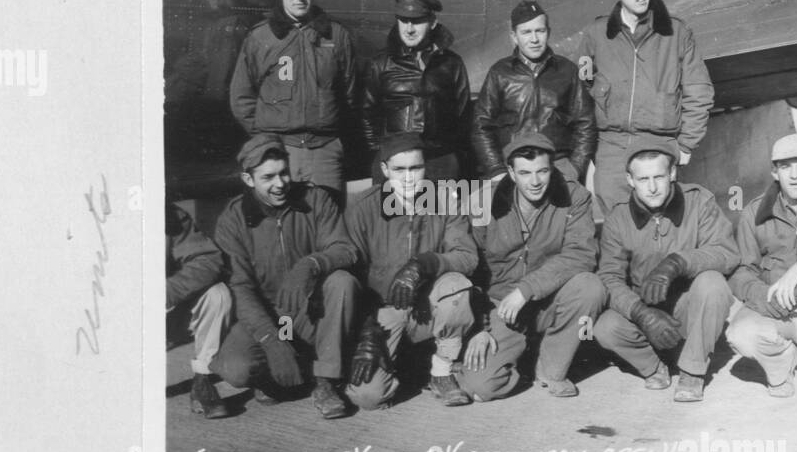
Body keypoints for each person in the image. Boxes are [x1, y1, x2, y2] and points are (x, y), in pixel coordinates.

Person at [211, 134, 361, 419]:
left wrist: (311, 264)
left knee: (343, 281)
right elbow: (239, 287)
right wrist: (272, 339)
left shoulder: (315, 200)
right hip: (268, 316)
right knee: (236, 368)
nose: (280, 184)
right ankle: (277, 378)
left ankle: (325, 380)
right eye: (268, 177)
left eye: (284, 173)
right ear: (248, 179)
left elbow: (345, 249)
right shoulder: (233, 219)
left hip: (308, 311)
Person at [455, 132, 606, 401]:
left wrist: (526, 290)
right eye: (525, 173)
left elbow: (580, 254)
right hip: (499, 305)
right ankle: (522, 356)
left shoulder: (576, 197)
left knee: (590, 287)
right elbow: (471, 268)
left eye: (542, 171)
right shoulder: (482, 202)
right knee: (481, 387)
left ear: (552, 169)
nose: (535, 182)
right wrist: (478, 327)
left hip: (548, 299)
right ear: (511, 173)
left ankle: (551, 369)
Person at [593, 138, 738, 403]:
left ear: (672, 173)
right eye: (643, 179)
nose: (651, 188)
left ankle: (692, 370)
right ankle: (653, 366)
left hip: (686, 307)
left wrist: (678, 262)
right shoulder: (618, 217)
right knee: (605, 327)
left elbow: (726, 252)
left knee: (713, 283)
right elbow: (609, 278)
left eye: (659, 177)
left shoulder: (699, 201)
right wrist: (641, 313)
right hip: (645, 310)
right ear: (630, 179)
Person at [343, 133, 478, 409]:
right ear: (384, 170)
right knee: (367, 396)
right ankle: (406, 366)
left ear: (425, 168)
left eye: (415, 168)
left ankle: (442, 370)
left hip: (429, 303)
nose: (408, 178)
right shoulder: (362, 207)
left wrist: (424, 264)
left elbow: (466, 257)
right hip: (383, 311)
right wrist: (367, 329)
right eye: (399, 170)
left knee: (456, 285)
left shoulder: (445, 199)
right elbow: (351, 272)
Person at [577, 0, 714, 216]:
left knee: (658, 222)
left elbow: (699, 90)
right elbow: (580, 94)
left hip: (658, 143)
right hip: (611, 147)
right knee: (617, 227)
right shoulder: (595, 35)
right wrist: (594, 150)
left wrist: (686, 144)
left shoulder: (676, 33)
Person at [726, 134, 797, 411]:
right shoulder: (754, 212)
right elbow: (741, 271)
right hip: (778, 311)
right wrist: (763, 296)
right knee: (740, 334)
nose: (795, 175)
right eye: (786, 167)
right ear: (774, 172)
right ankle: (782, 362)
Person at [229, 0, 356, 193]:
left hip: (325, 151)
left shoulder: (337, 35)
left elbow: (349, 94)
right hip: (278, 151)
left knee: (328, 220)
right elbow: (241, 98)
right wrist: (266, 140)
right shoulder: (260, 38)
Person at [472, 0, 596, 185]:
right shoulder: (500, 73)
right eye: (526, 32)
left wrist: (575, 168)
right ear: (514, 36)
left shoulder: (567, 71)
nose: (534, 39)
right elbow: (480, 126)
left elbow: (585, 123)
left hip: (558, 167)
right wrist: (497, 170)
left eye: (540, 31)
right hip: (513, 168)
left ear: (549, 32)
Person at [359, 0, 473, 183]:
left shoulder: (452, 63)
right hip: (397, 163)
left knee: (442, 213)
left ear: (432, 22)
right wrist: (381, 155)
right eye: (404, 20)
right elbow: (368, 114)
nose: (409, 28)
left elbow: (462, 116)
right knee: (394, 213)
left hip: (440, 162)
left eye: (417, 21)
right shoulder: (380, 63)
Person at [166, 202, 233, 419]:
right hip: (110, 321)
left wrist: (166, 291)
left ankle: (202, 380)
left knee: (218, 294)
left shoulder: (167, 212)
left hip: (161, 312)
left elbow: (209, 259)